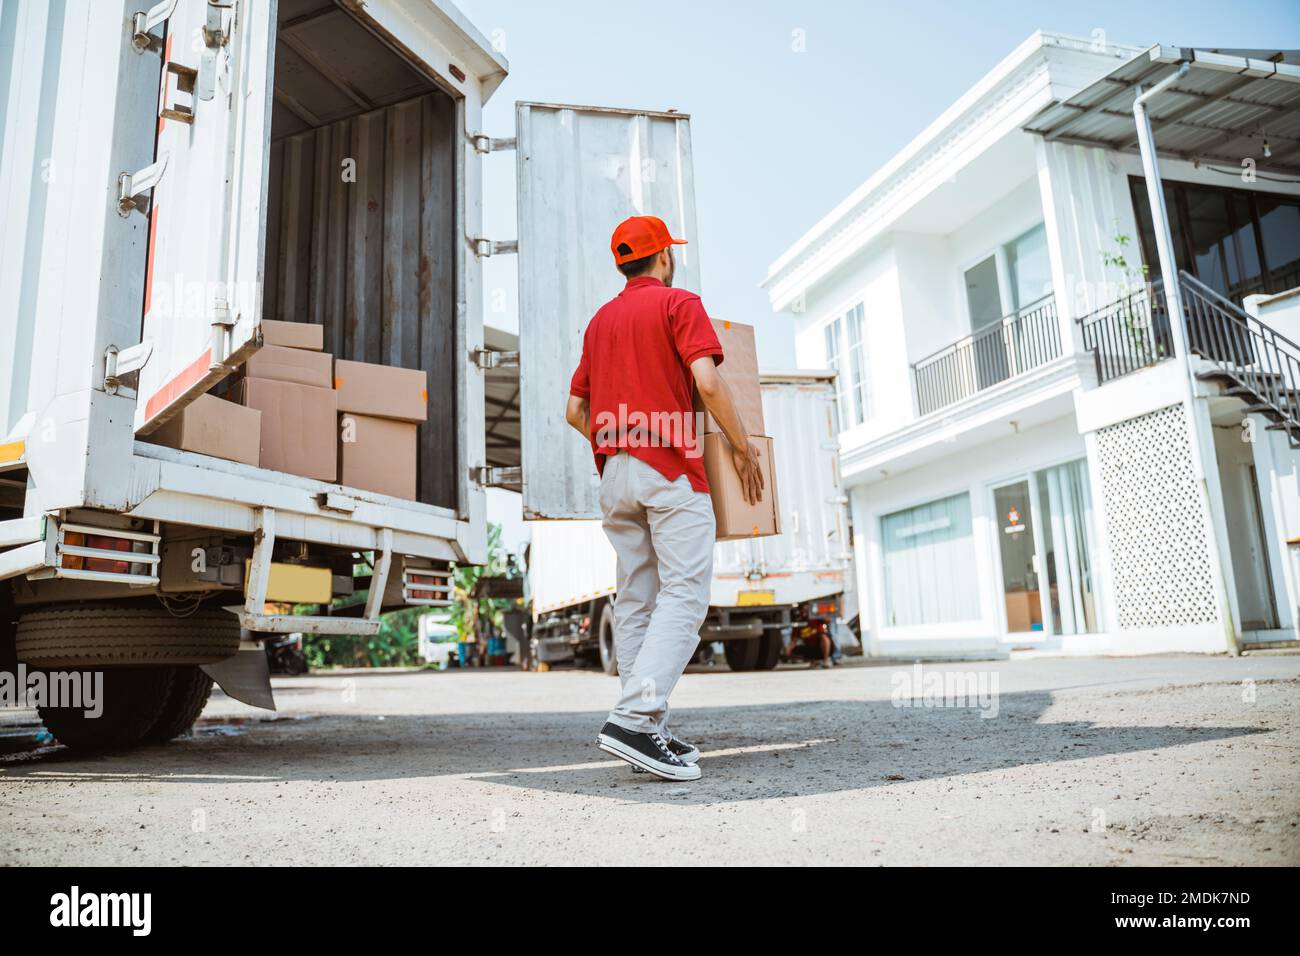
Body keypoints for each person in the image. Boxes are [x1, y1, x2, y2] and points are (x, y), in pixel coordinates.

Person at [565, 215, 763, 781]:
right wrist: (742, 448)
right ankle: (632, 718)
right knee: (684, 596)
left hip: (616, 476)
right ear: (665, 258)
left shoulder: (600, 323)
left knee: (635, 601)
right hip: (670, 470)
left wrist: (618, 445)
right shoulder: (679, 304)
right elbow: (706, 380)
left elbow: (575, 412)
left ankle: (645, 729)